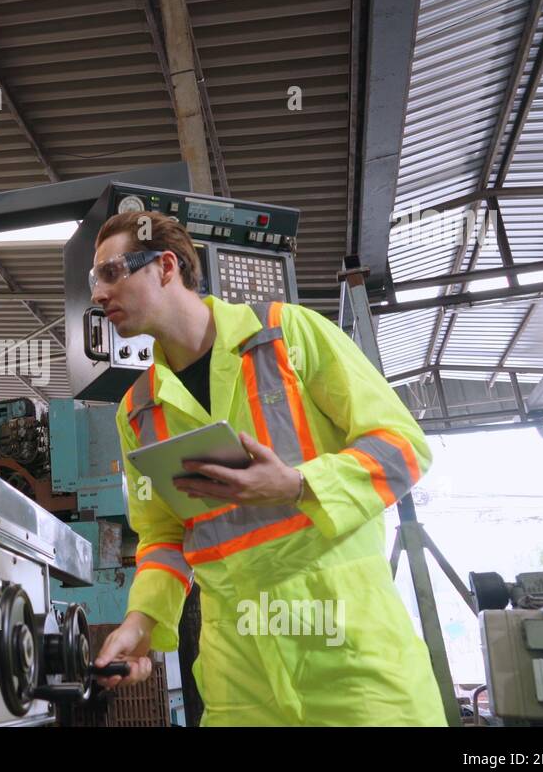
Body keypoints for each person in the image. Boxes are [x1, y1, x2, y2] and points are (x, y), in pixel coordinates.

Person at [90, 210, 445, 726]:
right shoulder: (138, 410)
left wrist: (299, 485)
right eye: (93, 280)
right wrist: (140, 621)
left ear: (165, 267)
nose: (98, 294)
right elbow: (163, 536)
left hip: (351, 656)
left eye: (111, 272)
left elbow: (403, 446)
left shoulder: (286, 335)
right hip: (239, 673)